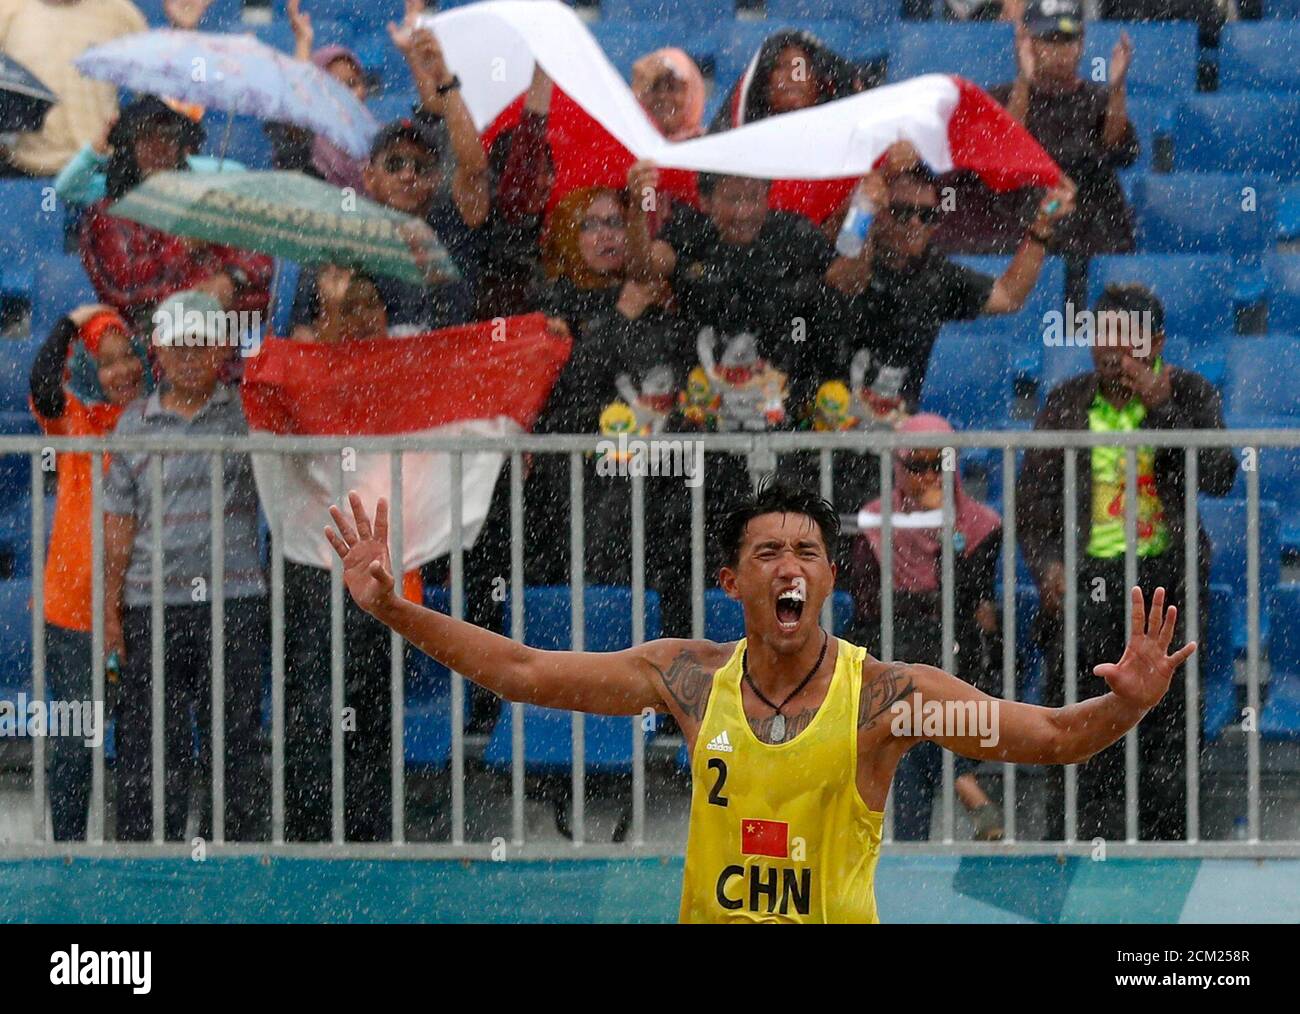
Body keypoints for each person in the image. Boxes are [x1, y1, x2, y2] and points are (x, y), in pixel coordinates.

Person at [325, 479, 1196, 922]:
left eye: (808, 552)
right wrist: (397, 607)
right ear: (733, 580)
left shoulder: (891, 702)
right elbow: (520, 672)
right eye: (770, 551)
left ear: (826, 578)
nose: (789, 565)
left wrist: (1128, 707)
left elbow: (1047, 736)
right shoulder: (686, 678)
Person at [1017, 284, 1237, 842]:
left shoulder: (1189, 391)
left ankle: (1164, 862)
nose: (1111, 351)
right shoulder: (1068, 400)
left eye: (1127, 338)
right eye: (1102, 336)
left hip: (1167, 583)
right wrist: (1047, 567)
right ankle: (1070, 854)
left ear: (1156, 342)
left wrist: (1163, 407)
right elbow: (1032, 500)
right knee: (1077, 724)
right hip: (1087, 583)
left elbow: (1218, 476)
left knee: (1169, 730)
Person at [103, 290, 268, 841]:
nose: (191, 355)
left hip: (235, 600)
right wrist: (110, 613)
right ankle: (148, 860)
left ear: (222, 349)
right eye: (180, 344)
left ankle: (239, 855)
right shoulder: (132, 425)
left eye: (202, 344)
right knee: (152, 741)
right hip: (152, 604)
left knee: (236, 736)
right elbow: (118, 525)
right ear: (159, 352)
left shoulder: (249, 416)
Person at [849, 415, 1005, 841]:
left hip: (956, 652)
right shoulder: (873, 521)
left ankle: (911, 847)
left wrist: (945, 531)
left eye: (939, 464)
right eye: (916, 466)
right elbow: (867, 603)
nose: (928, 476)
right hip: (889, 646)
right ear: (898, 467)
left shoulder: (979, 525)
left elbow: (971, 598)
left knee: (911, 712)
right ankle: (964, 785)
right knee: (904, 698)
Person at [28, 303, 151, 840]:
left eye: (128, 358)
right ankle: (70, 854)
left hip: (140, 606)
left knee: (140, 742)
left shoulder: (156, 420)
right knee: (78, 742)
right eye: (106, 363)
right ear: (86, 372)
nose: (121, 372)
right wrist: (70, 323)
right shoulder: (73, 418)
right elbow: (41, 381)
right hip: (74, 615)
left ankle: (133, 858)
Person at [826, 158, 1076, 411]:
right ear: (879, 213)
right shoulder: (842, 252)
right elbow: (850, 279)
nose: (916, 224)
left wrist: (1043, 222)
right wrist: (865, 204)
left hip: (896, 434)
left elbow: (1009, 296)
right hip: (824, 425)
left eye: (927, 215)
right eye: (902, 212)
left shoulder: (933, 275)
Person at [940, 0, 1138, 299]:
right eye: (1049, 39)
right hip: (1015, 244)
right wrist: (1025, 80)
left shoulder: (1098, 99)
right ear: (1027, 41)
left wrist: (1118, 88)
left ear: (1082, 43)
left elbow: (1116, 148)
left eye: (1068, 40)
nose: (1060, 51)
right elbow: (1002, 152)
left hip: (1087, 243)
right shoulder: (999, 97)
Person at [78, 96, 273, 332]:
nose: (160, 147)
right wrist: (183, 246)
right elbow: (126, 288)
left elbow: (259, 258)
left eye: (169, 137)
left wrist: (232, 279)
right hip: (150, 347)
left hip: (222, 339)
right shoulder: (106, 214)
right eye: (147, 137)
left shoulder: (204, 202)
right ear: (128, 148)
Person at [0, 0, 148, 177]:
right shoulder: (7, 9)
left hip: (98, 174)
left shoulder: (121, 13)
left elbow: (154, 91)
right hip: (22, 175)